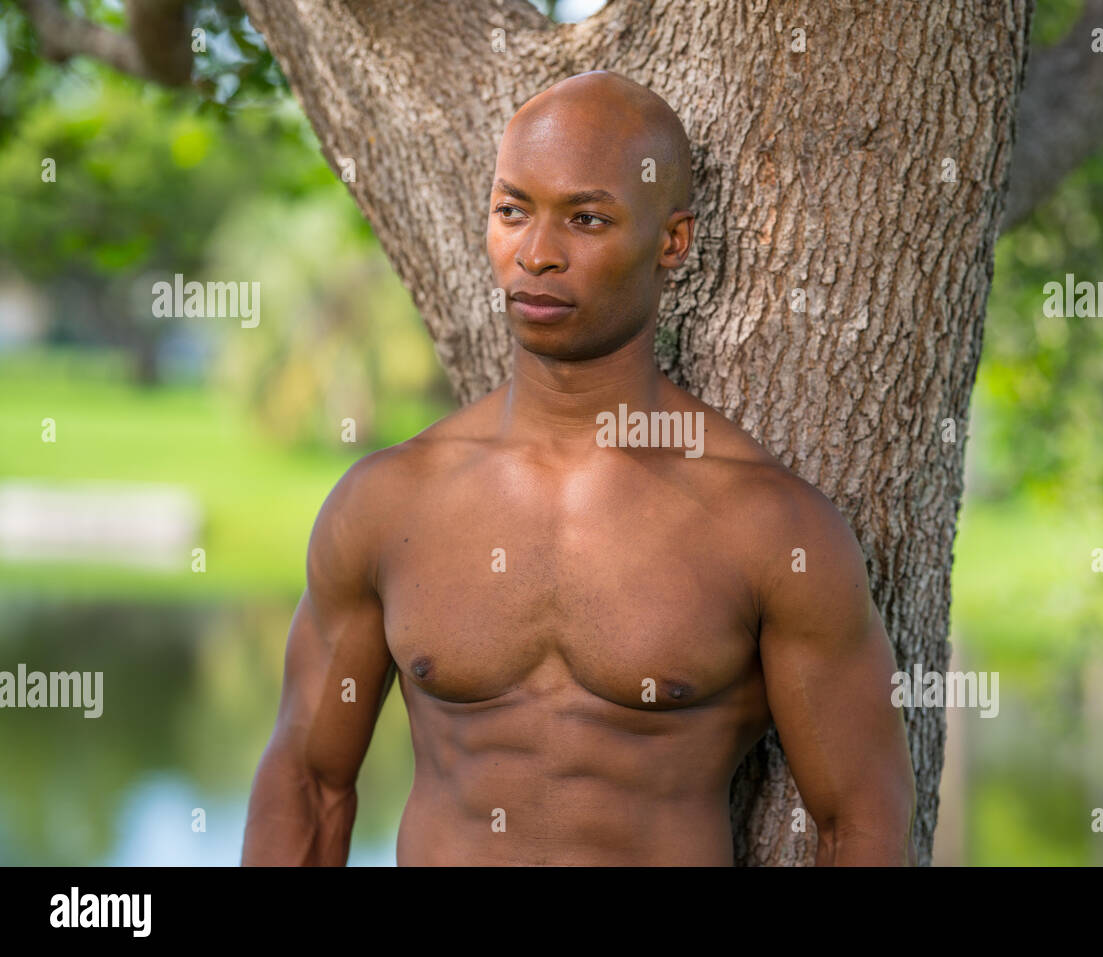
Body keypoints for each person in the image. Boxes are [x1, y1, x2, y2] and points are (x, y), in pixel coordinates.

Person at [241, 70, 916, 866]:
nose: (536, 254)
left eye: (586, 219)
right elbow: (308, 784)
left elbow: (861, 822)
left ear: (672, 242)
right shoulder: (388, 503)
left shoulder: (769, 526)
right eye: (511, 211)